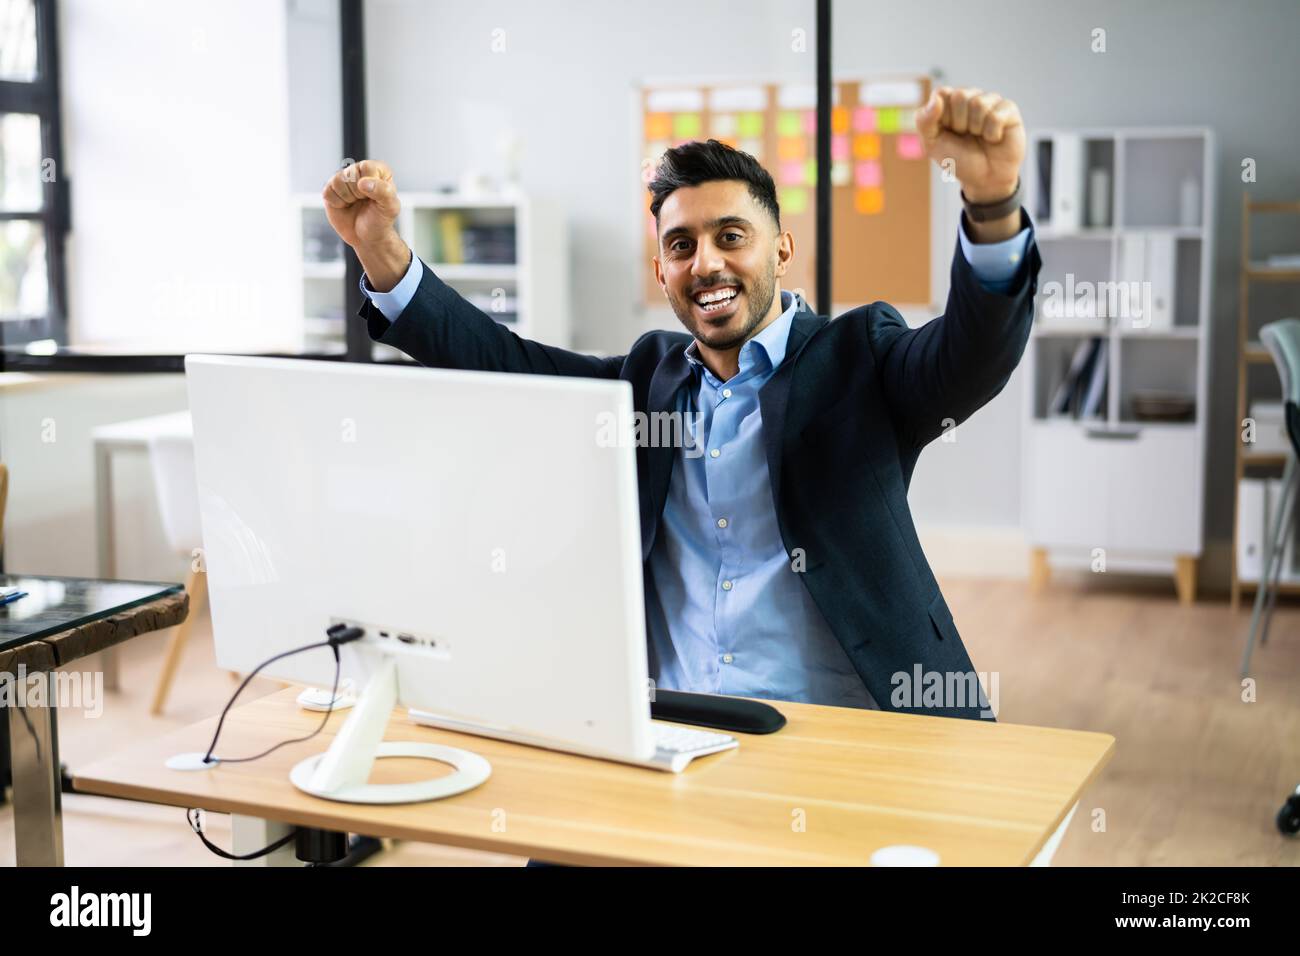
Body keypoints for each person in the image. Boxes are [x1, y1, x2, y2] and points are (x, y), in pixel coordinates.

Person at [322, 86, 1038, 723]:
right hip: (679, 730)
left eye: (732, 237)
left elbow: (968, 358)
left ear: (781, 250)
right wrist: (380, 251)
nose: (707, 263)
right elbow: (504, 363)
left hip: (845, 732)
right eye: (681, 244)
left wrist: (993, 207)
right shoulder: (645, 381)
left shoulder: (860, 355)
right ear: (661, 269)